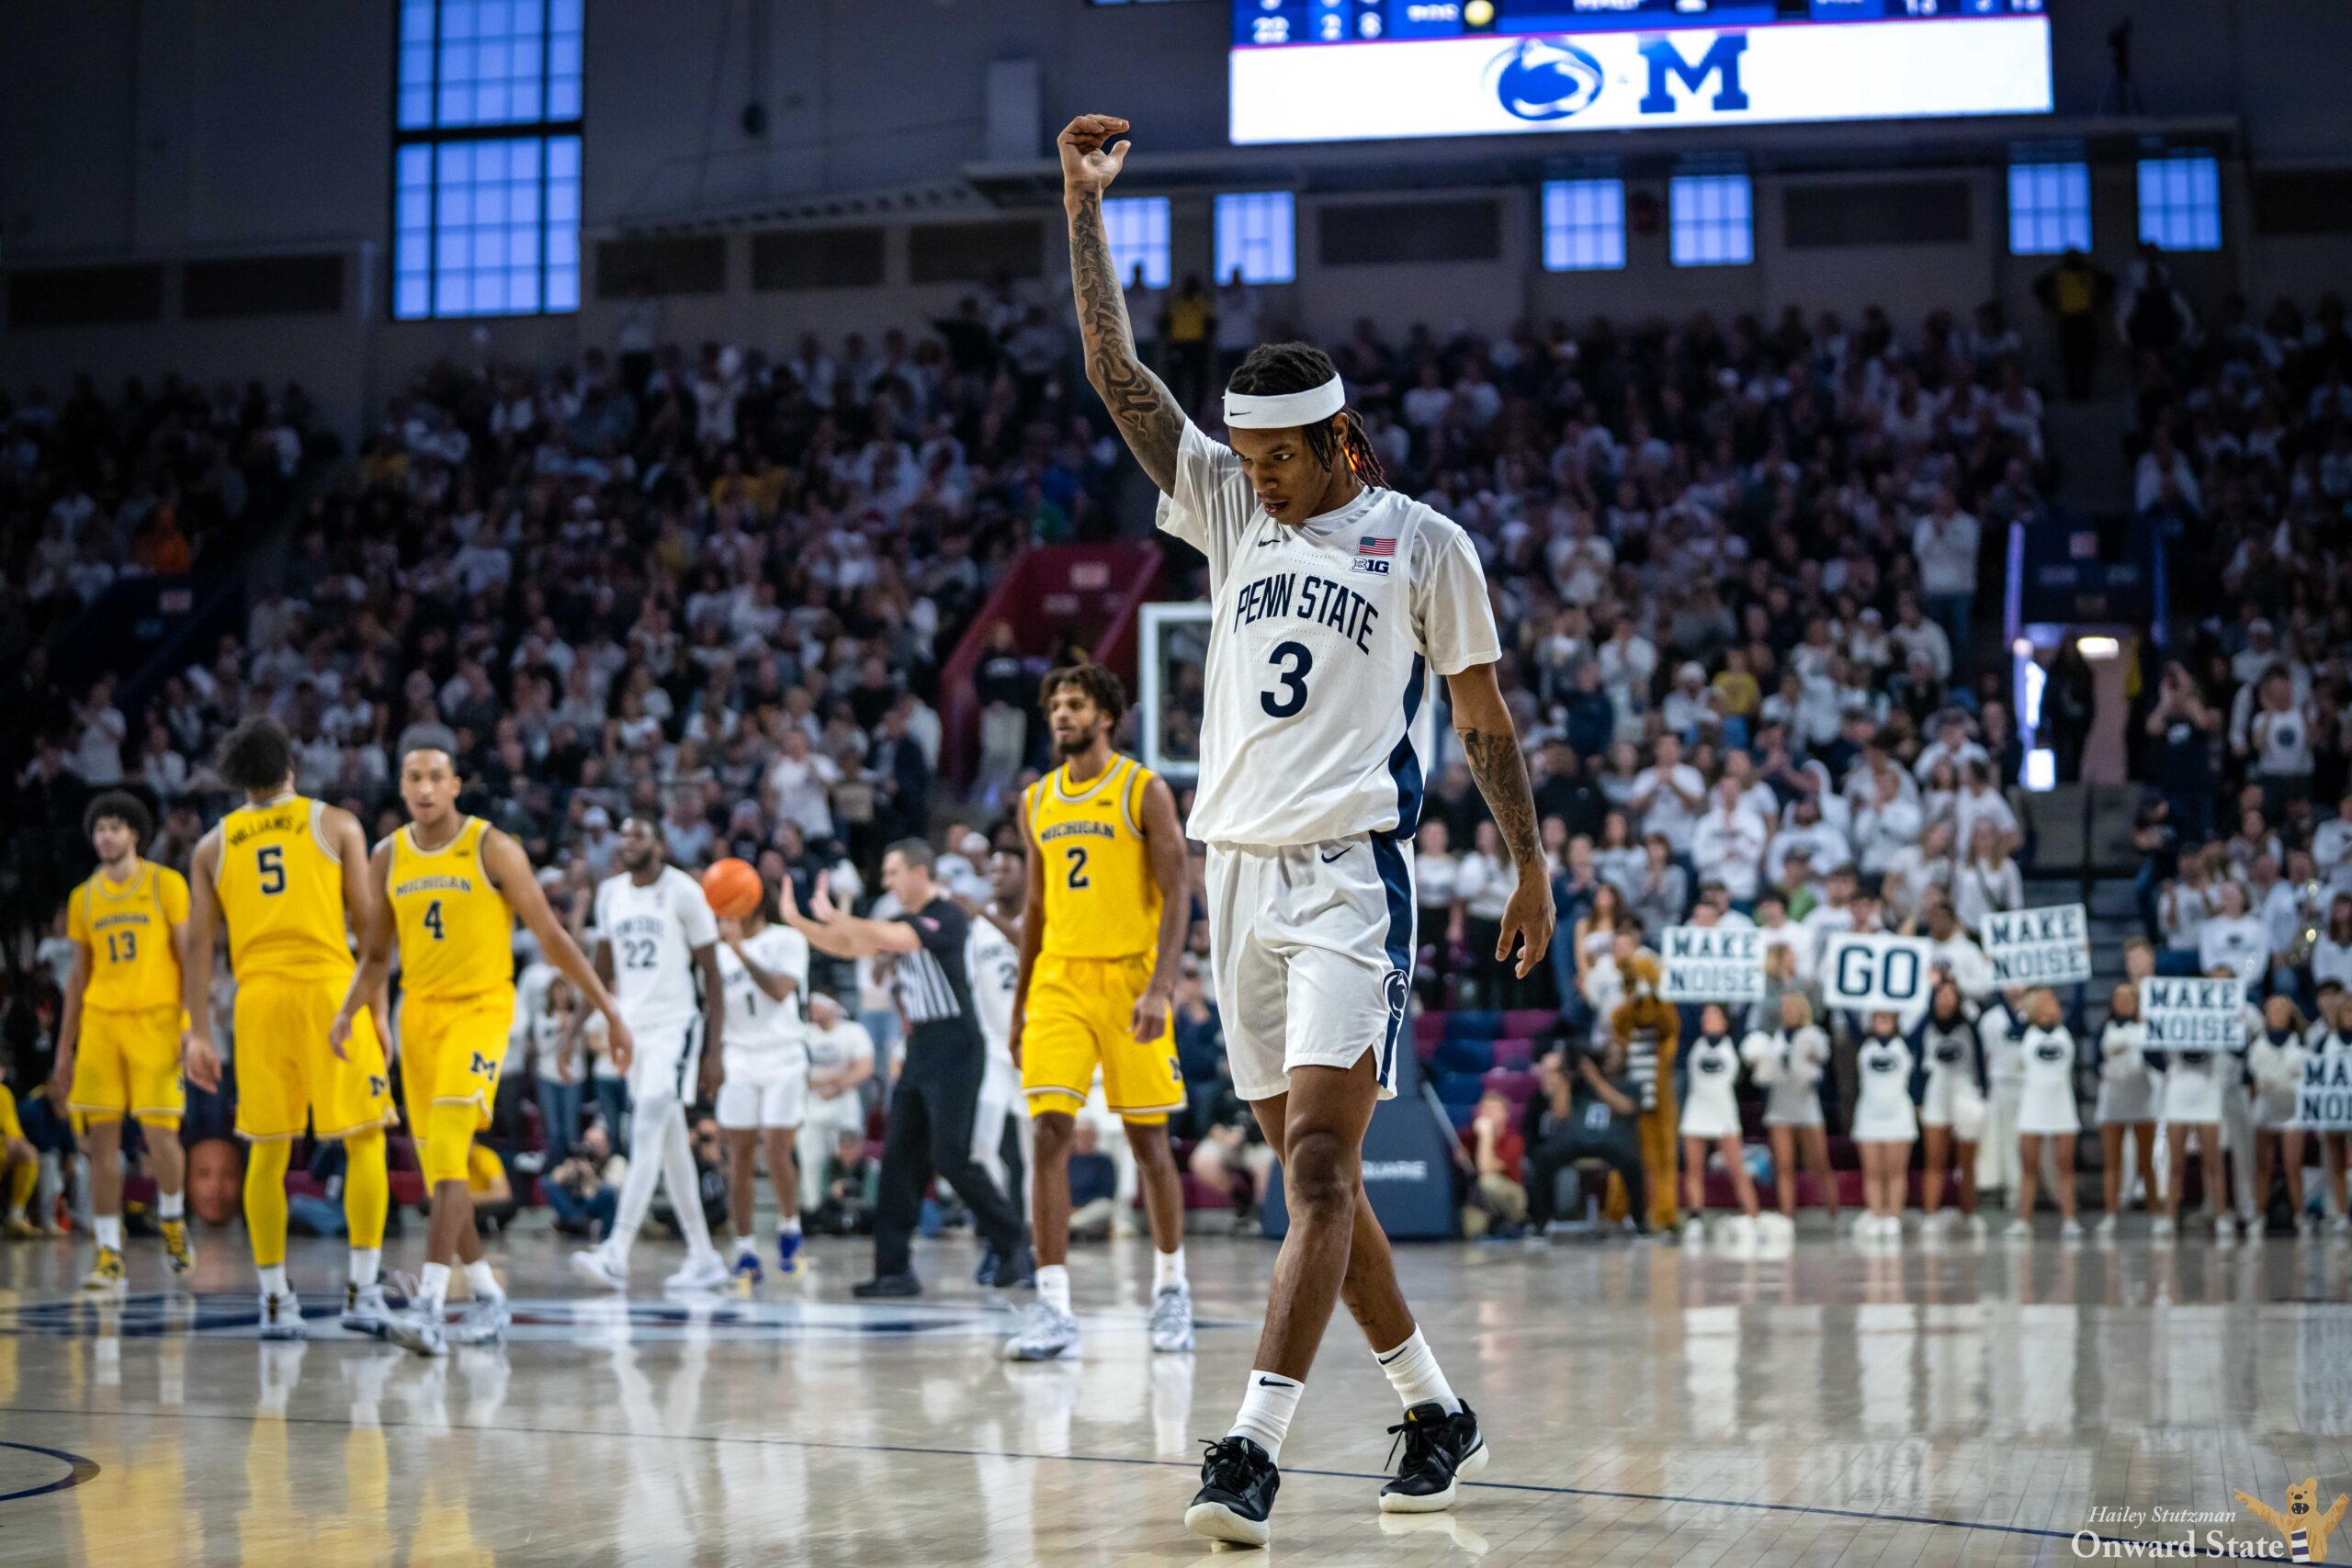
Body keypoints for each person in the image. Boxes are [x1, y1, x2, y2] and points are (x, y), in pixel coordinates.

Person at [1059, 114, 1552, 1543]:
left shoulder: (1424, 541)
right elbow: (1116, 376)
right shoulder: (1228, 504)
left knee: (1326, 1170)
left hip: (1350, 881)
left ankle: (1250, 1447)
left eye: (1281, 457)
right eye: (1248, 457)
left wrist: (1529, 859)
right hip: (1238, 881)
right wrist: (1083, 208)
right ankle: (1433, 1408)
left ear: (1340, 438)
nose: (1256, 475)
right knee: (1308, 1181)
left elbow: (1481, 718)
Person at [338, 728, 633, 1353]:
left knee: (448, 1148)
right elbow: (373, 957)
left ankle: (427, 1309)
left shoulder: (491, 845)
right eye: (412, 776)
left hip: (480, 1010)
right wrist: (349, 1016)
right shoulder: (387, 855)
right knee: (441, 1168)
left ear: (454, 785)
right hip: (416, 1015)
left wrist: (608, 1009)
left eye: (434, 776)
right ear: (401, 786)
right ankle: (488, 1296)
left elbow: (551, 936)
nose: (423, 787)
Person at [1001, 662, 1194, 1363]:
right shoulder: (1037, 800)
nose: (1060, 715)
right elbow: (1035, 907)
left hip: (1131, 979)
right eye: (1055, 704)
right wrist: (1021, 1003)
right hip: (1058, 979)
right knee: (1049, 1129)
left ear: (1105, 715)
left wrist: (1162, 985)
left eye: (1075, 704)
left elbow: (1178, 893)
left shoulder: (1144, 790)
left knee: (1148, 1141)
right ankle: (1053, 1305)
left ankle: (1172, 1289)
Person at [181, 717, 395, 1338]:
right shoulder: (336, 823)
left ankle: (275, 1299)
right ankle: (362, 1291)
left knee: (267, 1152)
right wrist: (376, 1010)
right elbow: (369, 925)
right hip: (332, 993)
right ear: (291, 769)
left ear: (239, 781)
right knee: (365, 1140)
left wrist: (198, 1029)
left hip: (258, 1000)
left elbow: (199, 945)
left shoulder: (211, 845)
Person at [784, 840, 1032, 1297]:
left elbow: (897, 939)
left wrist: (837, 914)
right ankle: (894, 1271)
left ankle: (1017, 1245)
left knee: (951, 1157)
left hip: (958, 1045)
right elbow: (848, 944)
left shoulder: (949, 915)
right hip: (920, 1046)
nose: (887, 882)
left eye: (894, 872)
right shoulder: (899, 921)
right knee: (898, 1158)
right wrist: (800, 921)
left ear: (921, 872)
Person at [571, 817, 730, 1293]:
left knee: (645, 1125)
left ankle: (616, 1251)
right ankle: (703, 1257)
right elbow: (600, 971)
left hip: (676, 1026)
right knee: (667, 1142)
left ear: (659, 844)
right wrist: (572, 1031)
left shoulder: (684, 891)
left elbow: (712, 974)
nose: (627, 843)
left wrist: (714, 1049)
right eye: (623, 835)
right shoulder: (611, 893)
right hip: (632, 1030)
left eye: (637, 835)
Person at [51, 791, 197, 1289]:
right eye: (99, 829)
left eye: (115, 827)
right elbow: (77, 980)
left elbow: (190, 958)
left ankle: (173, 1217)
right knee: (101, 1146)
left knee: (161, 1139)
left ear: (135, 833)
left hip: (156, 1022)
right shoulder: (83, 897)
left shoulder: (165, 884)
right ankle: (110, 1253)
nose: (106, 836)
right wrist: (63, 1051)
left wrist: (192, 1027)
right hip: (101, 1026)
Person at [712, 874, 811, 1284]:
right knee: (739, 1160)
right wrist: (711, 1055)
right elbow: (713, 1007)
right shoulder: (714, 954)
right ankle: (746, 1248)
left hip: (783, 1054)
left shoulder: (788, 940)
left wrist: (739, 951)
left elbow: (779, 991)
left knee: (776, 1148)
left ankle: (790, 1224)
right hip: (738, 1055)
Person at [964, 849, 1030, 1282]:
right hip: (991, 1047)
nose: (997, 877)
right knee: (980, 1149)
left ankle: (1034, 1247)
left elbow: (1028, 946)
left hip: (1033, 1046)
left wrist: (982, 916)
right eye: (992, 870)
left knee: (1031, 1151)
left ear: (1027, 872)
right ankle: (999, 1237)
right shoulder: (977, 928)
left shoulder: (1039, 914)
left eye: (1007, 869)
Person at [2152, 968, 2245, 1244]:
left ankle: (2220, 1215)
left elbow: (2239, 1051)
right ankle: (2168, 1216)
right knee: (2176, 1161)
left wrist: (2234, 1023)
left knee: (2213, 1161)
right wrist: (2150, 1025)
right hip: (2178, 1093)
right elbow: (2153, 1055)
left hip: (2208, 1092)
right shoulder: (2172, 1017)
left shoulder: (2218, 1017)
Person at [1522, 1043, 1645, 1235]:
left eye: (1617, 1054)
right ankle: (1540, 1222)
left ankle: (1640, 1221)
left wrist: (1595, 1079)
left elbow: (1626, 1108)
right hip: (1576, 1140)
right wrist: (1564, 1078)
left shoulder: (1629, 1084)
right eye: (1608, 1054)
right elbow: (1559, 1114)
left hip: (1612, 1140)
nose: (1612, 1059)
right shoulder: (1577, 1084)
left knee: (1633, 1162)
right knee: (1543, 1157)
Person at [1744, 992, 1837, 1235]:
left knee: (1820, 1163)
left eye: (1793, 1006)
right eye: (1784, 1007)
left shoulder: (1813, 1036)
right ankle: (1787, 1220)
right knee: (1784, 1166)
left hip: (1806, 1105)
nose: (1788, 1011)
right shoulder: (1772, 1038)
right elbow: (1763, 1074)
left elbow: (1821, 1068)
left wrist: (1812, 1062)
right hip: (1780, 1106)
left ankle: (1833, 1217)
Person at [1677, 1006, 1758, 1245]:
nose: (1708, 1020)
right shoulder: (1693, 1043)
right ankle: (1695, 1219)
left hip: (1723, 1113)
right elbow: (1682, 1015)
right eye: (1705, 1016)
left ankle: (1752, 1216)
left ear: (1724, 1021)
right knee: (1694, 1169)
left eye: (1714, 1016)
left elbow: (1745, 1014)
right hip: (1697, 1111)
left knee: (1737, 1169)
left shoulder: (1733, 1043)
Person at [2009, 987, 2082, 1240]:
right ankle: (2023, 1220)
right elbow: (2007, 1008)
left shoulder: (2068, 1028)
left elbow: (2079, 999)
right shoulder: (2024, 1031)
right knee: (2029, 1167)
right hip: (2033, 1104)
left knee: (2065, 1166)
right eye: (2046, 999)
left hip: (2061, 1103)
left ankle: (2070, 1219)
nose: (2053, 1002)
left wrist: (2081, 964)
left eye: (2054, 998)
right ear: (2033, 1006)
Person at [1915, 979, 1987, 1234]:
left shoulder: (1969, 1025)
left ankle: (1968, 1214)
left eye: (1949, 994)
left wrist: (1983, 1094)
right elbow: (1915, 1062)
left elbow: (1980, 1061)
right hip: (1936, 1092)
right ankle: (1931, 1216)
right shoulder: (1925, 1026)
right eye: (1940, 994)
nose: (1944, 999)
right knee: (1934, 1159)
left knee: (1967, 1162)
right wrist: (1917, 1099)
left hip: (1964, 1091)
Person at [798, 993, 876, 1215]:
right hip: (812, 1104)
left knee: (846, 1158)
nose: (813, 1010)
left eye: (818, 1005)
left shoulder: (852, 1031)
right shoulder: (804, 1033)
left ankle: (849, 1211)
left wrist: (838, 1085)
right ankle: (813, 1211)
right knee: (810, 1159)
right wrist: (830, 1077)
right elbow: (794, 1070)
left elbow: (864, 1067)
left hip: (843, 1102)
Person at [2094, 978, 2160, 1236]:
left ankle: (2157, 1214)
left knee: (2146, 1161)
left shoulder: (2148, 1029)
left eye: (2129, 997)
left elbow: (2158, 1061)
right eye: (2119, 997)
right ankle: (2111, 1214)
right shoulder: (2104, 1029)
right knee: (2112, 1161)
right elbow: (2096, 1065)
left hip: (2141, 1098)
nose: (2123, 1002)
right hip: (2113, 1099)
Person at [2247, 995, 2311, 1237]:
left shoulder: (2301, 1045)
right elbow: (2252, 1082)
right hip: (2264, 1110)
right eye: (2273, 1008)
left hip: (2293, 1112)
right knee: (2262, 1165)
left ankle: (2300, 1215)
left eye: (2283, 1008)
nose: (2278, 1012)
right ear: (2266, 1014)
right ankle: (2259, 1215)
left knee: (2292, 1164)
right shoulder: (2256, 1046)